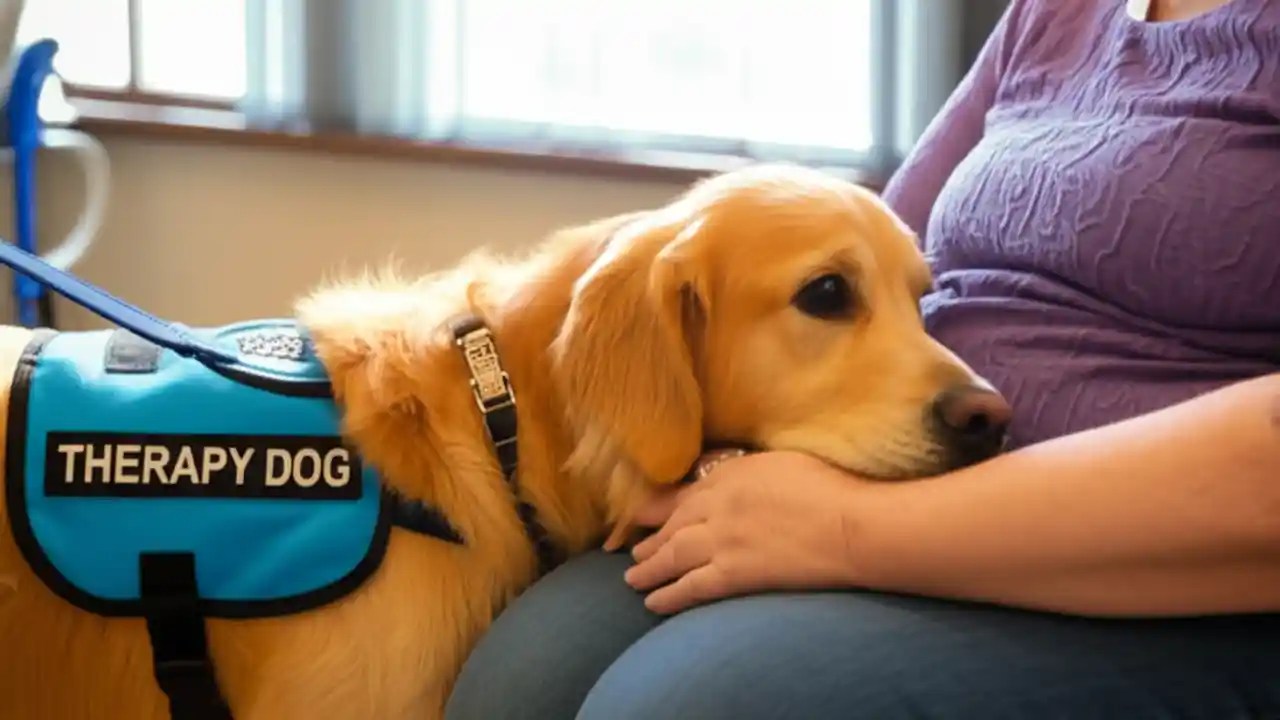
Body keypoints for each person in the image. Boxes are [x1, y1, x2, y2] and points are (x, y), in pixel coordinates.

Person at [444, 0, 1280, 717]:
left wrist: (846, 529)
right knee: (521, 680)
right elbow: (876, 248)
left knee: (693, 706)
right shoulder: (1058, 13)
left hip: (1170, 582)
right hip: (891, 492)